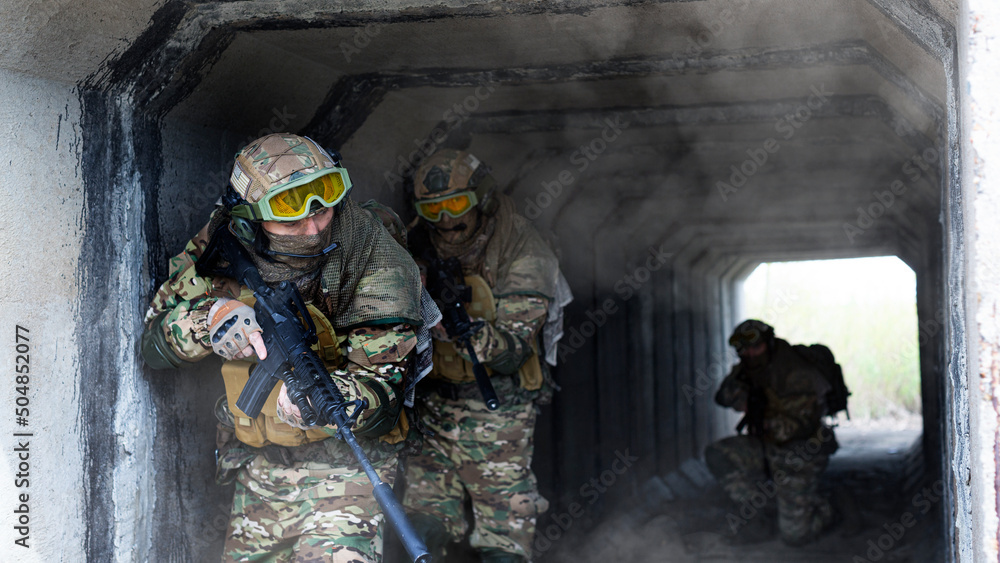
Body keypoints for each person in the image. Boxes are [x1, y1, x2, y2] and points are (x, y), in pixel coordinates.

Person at [141, 133, 423, 563]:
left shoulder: (376, 257)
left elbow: (383, 394)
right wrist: (208, 319)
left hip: (348, 468)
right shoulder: (225, 241)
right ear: (251, 219)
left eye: (323, 206)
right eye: (290, 217)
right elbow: (153, 345)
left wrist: (323, 399)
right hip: (259, 465)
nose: (312, 228)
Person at [402, 149, 564, 563]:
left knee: (504, 525)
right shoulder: (416, 240)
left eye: (456, 205)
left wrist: (460, 332)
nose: (445, 220)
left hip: (499, 408)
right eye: (432, 208)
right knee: (423, 520)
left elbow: (512, 351)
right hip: (434, 403)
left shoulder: (524, 248)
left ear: (482, 199)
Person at [704, 319, 840, 546]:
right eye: (744, 350)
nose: (750, 353)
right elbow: (721, 397)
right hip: (767, 446)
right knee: (718, 454)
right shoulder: (748, 368)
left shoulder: (796, 371)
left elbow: (799, 427)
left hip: (801, 452)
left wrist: (765, 416)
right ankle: (760, 509)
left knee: (795, 536)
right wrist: (743, 397)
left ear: (769, 343)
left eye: (756, 347)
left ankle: (829, 506)